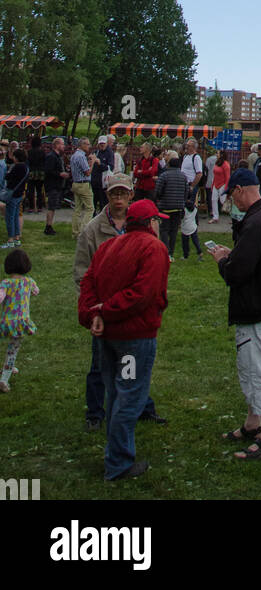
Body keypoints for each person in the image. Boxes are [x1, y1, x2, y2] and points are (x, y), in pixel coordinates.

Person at [78, 198, 170, 481]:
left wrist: (94, 313)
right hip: (133, 337)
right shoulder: (154, 248)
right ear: (150, 223)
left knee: (116, 393)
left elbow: (88, 283)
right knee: (129, 396)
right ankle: (118, 462)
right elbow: (143, 294)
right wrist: (103, 310)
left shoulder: (108, 247)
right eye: (156, 221)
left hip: (108, 334)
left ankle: (115, 454)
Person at [74, 174, 164, 431]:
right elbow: (83, 273)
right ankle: (96, 412)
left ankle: (140, 406)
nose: (118, 199)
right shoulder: (94, 229)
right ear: (107, 195)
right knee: (100, 365)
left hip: (132, 311)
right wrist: (95, 311)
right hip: (104, 312)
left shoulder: (140, 225)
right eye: (114, 193)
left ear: (130, 196)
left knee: (132, 366)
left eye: (123, 194)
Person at [210, 170, 261, 460]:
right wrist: (237, 252)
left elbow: (237, 273)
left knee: (257, 370)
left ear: (240, 189)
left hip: (255, 306)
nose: (232, 201)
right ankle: (254, 423)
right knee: (250, 365)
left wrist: (224, 261)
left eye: (232, 195)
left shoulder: (256, 222)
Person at [0, 247, 39, 393]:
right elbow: (36, 291)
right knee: (13, 350)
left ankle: (6, 369)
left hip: (5, 322)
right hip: (20, 323)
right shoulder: (29, 282)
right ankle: (4, 378)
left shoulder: (6, 283)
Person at [154, 154, 189, 260]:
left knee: (164, 229)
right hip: (178, 207)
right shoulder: (183, 176)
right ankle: (171, 253)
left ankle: (165, 251)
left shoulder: (164, 175)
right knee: (173, 231)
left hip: (165, 207)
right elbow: (186, 192)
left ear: (169, 164)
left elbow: (158, 190)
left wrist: (159, 199)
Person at [1, 149, 28, 249]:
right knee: (16, 216)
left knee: (10, 218)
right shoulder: (26, 167)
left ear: (16, 157)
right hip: (20, 194)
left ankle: (10, 240)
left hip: (12, 195)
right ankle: (17, 238)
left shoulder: (16, 167)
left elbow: (7, 177)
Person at [43, 137, 69, 236]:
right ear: (57, 145)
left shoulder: (59, 157)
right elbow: (48, 170)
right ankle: (48, 226)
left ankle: (49, 225)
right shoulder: (51, 156)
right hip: (52, 185)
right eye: (62, 144)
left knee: (53, 206)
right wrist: (60, 174)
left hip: (58, 185)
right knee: (51, 206)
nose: (64, 146)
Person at [70, 138, 94, 237]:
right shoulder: (81, 156)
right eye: (87, 144)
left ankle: (75, 231)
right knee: (90, 208)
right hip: (83, 184)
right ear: (82, 145)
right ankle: (83, 231)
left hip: (75, 183)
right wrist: (92, 162)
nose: (89, 146)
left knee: (77, 209)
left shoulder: (74, 155)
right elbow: (87, 172)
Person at [91, 137, 115, 213]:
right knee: (93, 203)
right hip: (94, 182)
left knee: (103, 203)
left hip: (103, 183)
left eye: (103, 144)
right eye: (100, 144)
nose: (102, 145)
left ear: (106, 143)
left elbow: (110, 167)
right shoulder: (96, 152)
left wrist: (100, 163)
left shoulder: (109, 152)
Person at [25, 135, 46, 214]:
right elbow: (45, 162)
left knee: (31, 190)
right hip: (40, 172)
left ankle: (31, 207)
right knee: (39, 190)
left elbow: (27, 162)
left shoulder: (29, 152)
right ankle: (39, 207)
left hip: (31, 171)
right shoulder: (42, 152)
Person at [180, 139, 204, 209]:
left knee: (190, 206)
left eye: (188, 146)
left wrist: (192, 186)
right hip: (184, 184)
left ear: (193, 147)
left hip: (190, 185)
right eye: (186, 145)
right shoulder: (185, 156)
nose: (186, 147)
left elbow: (199, 174)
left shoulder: (196, 158)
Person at [211, 151, 230, 222]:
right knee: (213, 200)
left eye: (217, 153)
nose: (216, 155)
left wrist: (226, 187)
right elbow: (215, 175)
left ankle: (232, 214)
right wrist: (213, 184)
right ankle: (215, 216)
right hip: (216, 184)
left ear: (221, 155)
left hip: (223, 185)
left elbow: (228, 177)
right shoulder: (217, 163)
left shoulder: (226, 164)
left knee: (223, 201)